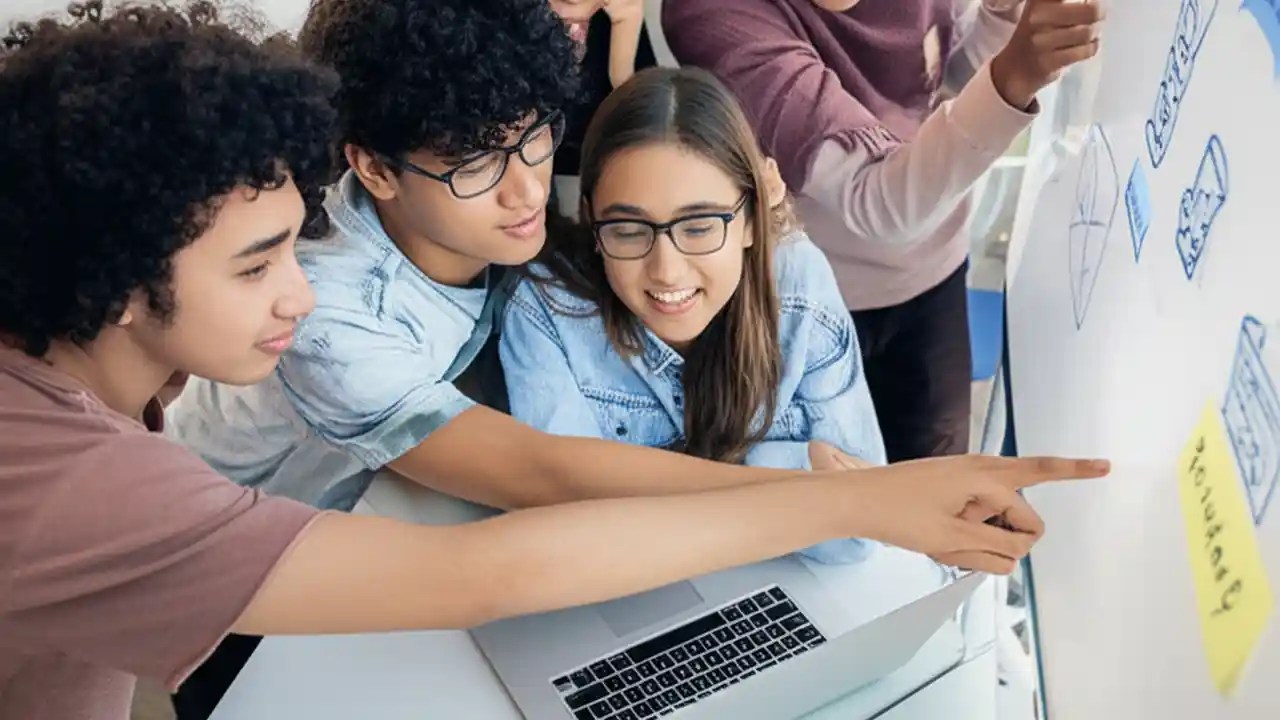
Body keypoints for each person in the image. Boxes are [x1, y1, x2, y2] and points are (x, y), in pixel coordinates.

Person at [0, 3, 1112, 719]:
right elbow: (503, 531)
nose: (529, 189)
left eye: (535, 141)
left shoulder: (483, 219)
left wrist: (719, 199)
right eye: (254, 268)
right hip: (253, 607)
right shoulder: (302, 340)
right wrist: (857, 501)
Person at [663, 0, 1106, 462]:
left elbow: (942, 78)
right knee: (821, 506)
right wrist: (1014, 74)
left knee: (936, 493)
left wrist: (1003, 16)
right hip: (797, 305)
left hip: (935, 274)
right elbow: (877, 200)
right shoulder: (716, 14)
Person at [503, 67, 886, 564]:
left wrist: (650, 488)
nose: (665, 270)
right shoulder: (546, 306)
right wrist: (792, 469)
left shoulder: (796, 284)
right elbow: (575, 535)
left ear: (751, 220)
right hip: (618, 595)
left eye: (700, 226)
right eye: (627, 229)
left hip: (769, 581)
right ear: (592, 222)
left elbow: (854, 538)